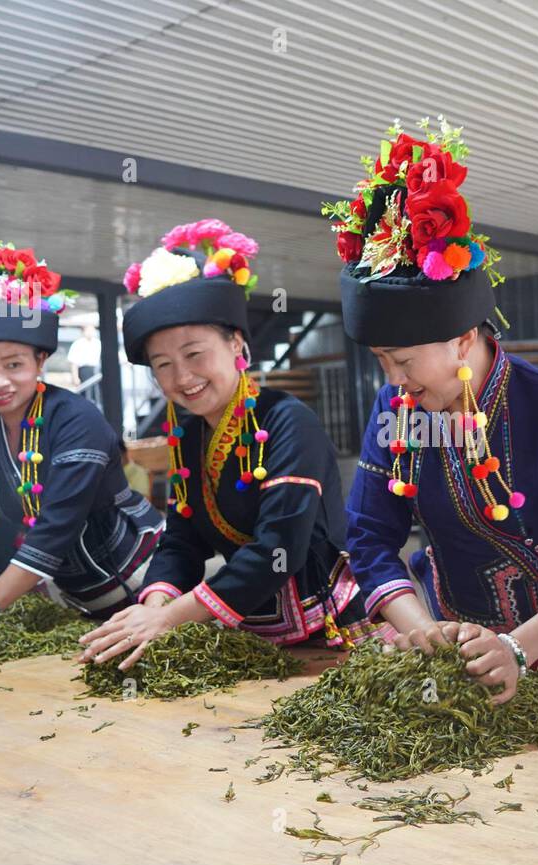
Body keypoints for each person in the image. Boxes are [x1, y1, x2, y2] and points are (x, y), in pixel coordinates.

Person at [329, 120, 538, 704]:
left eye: (403, 360)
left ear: (462, 337)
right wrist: (424, 633)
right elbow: (372, 537)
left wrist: (518, 648)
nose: (392, 381)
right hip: (457, 642)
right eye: (379, 361)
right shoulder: (395, 410)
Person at [78, 219, 383, 670]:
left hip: (332, 633)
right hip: (249, 633)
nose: (182, 377)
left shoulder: (286, 420)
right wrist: (156, 603)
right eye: (163, 365)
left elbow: (278, 552)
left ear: (236, 344)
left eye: (195, 354)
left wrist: (170, 620)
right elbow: (182, 542)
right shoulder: (187, 433)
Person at [0, 238, 165, 662]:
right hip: (79, 595)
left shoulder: (77, 421)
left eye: (14, 365)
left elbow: (54, 529)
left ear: (40, 362)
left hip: (147, 584)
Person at [67, 324, 101, 404]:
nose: (90, 332)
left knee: (97, 395)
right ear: (83, 331)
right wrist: (75, 377)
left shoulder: (97, 343)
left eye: (92, 330)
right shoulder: (78, 344)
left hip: (97, 371)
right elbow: (73, 362)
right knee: (85, 395)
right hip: (84, 371)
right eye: (88, 330)